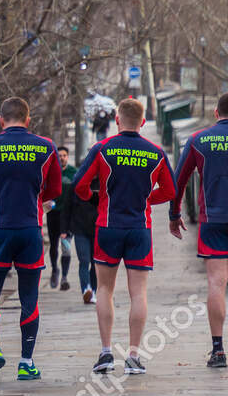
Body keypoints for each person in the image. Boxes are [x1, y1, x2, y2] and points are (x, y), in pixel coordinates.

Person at [72, 96, 175, 376]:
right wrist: (146, 200)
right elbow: (170, 190)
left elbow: (79, 185)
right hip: (139, 228)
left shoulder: (102, 148)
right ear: (143, 122)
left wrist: (95, 198)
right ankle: (133, 355)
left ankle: (106, 353)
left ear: (117, 120)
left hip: (108, 225)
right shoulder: (155, 153)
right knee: (138, 292)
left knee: (104, 289)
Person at [0, 96, 61, 382]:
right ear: (28, 120)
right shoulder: (46, 147)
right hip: (31, 230)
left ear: (1, 119)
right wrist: (37, 203)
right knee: (30, 297)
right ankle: (27, 362)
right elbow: (53, 194)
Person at [168, 92, 228, 368]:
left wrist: (174, 214)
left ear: (216, 113)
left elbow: (179, 179)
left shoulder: (199, 140)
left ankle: (218, 350)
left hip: (212, 220)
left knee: (216, 283)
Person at [64, 151, 98, 304]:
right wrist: (64, 230)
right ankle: (86, 290)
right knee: (84, 261)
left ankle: (94, 291)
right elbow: (67, 208)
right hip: (80, 230)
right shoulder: (75, 185)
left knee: (96, 263)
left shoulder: (103, 184)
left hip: (98, 229)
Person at [45, 146, 74, 291]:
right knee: (54, 245)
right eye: (59, 155)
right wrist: (46, 201)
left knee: (66, 247)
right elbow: (44, 189)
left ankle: (64, 277)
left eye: (64, 155)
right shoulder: (50, 172)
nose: (61, 158)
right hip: (53, 214)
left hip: (68, 216)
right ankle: (54, 269)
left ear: (67, 157)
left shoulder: (73, 173)